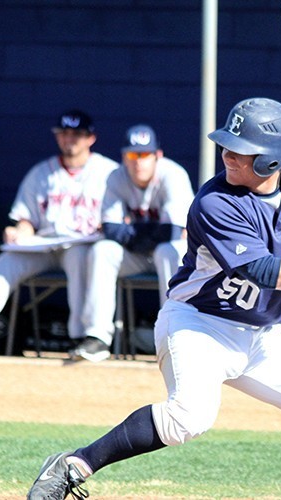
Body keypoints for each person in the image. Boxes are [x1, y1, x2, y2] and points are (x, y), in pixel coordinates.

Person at [26, 98, 281, 500]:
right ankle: (74, 465)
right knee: (188, 418)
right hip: (200, 324)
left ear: (270, 160)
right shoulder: (215, 202)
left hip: (262, 333)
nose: (227, 154)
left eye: (240, 149)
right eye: (227, 144)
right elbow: (265, 272)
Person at [0, 110, 118, 359]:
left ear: (91, 138)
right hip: (44, 245)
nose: (69, 139)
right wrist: (18, 231)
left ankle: (87, 338)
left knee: (81, 257)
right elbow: (26, 220)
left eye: (76, 134)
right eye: (64, 134)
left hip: (83, 246)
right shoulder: (41, 173)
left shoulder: (109, 172)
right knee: (5, 263)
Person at [73, 124, 193, 362]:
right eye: (132, 155)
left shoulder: (173, 174)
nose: (138, 162)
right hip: (136, 255)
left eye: (144, 155)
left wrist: (130, 230)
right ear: (124, 157)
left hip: (167, 253)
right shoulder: (117, 177)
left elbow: (172, 231)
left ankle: (175, 335)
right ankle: (97, 338)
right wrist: (144, 233)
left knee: (170, 250)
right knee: (102, 250)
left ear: (157, 156)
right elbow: (110, 230)